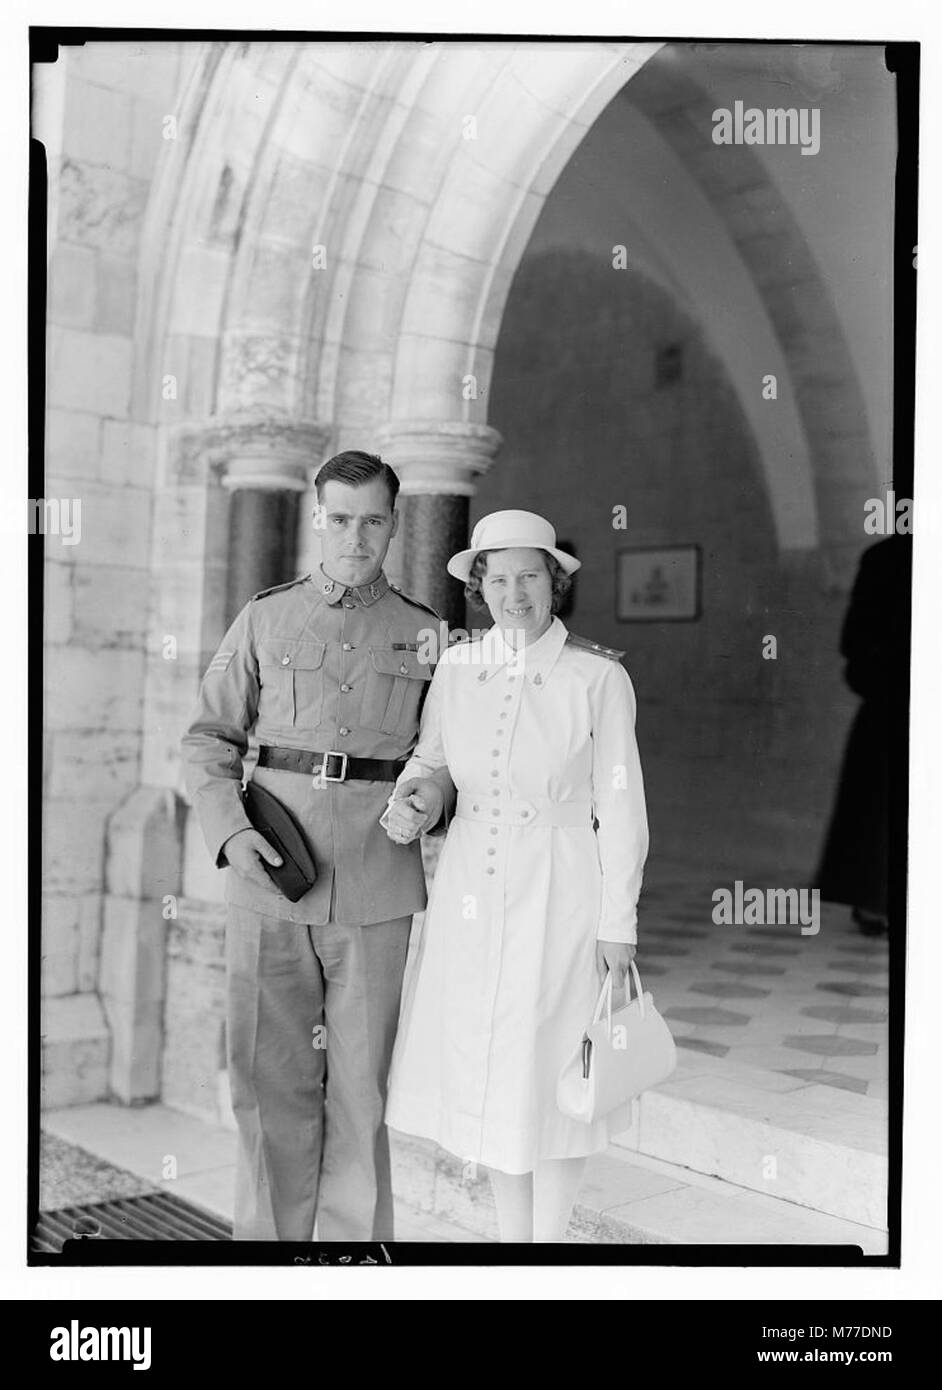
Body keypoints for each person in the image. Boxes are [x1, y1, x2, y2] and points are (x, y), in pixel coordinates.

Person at [181, 450, 455, 1242]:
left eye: (373, 520)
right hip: (269, 872)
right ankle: (267, 1261)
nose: (356, 536)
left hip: (377, 882)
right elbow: (207, 741)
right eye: (341, 518)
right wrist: (231, 837)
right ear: (317, 520)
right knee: (268, 1079)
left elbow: (450, 759)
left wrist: (433, 798)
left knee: (362, 1090)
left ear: (394, 525)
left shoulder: (428, 633)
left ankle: (348, 1264)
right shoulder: (264, 618)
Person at [382, 510, 649, 1242]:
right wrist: (417, 796)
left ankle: (549, 1245)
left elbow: (623, 810)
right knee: (497, 1071)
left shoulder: (598, 677)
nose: (513, 591)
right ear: (478, 587)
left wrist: (616, 926)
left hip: (561, 890)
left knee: (556, 1073)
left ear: (554, 582)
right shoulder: (459, 668)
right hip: (471, 888)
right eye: (495, 578)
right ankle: (511, 1247)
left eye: (529, 574)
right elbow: (431, 761)